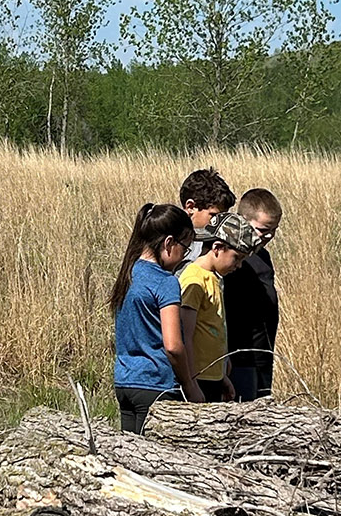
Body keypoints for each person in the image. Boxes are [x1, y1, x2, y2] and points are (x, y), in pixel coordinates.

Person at [110, 203, 201, 432]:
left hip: (124, 382)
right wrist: (189, 385)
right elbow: (173, 346)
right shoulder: (166, 282)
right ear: (169, 243)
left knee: (129, 459)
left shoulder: (128, 274)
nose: (184, 257)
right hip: (156, 385)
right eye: (185, 248)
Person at [178, 211, 264, 403]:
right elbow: (186, 336)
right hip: (199, 379)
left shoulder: (215, 279)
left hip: (213, 377)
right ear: (217, 247)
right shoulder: (194, 280)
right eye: (237, 257)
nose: (239, 265)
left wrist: (222, 374)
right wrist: (191, 384)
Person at [224, 187, 283, 401]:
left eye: (273, 231)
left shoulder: (263, 257)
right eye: (261, 230)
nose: (267, 237)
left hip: (262, 358)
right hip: (237, 361)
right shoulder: (228, 260)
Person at [177, 168, 235, 263]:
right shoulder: (172, 246)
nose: (220, 223)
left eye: (224, 217)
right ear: (190, 207)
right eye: (214, 216)